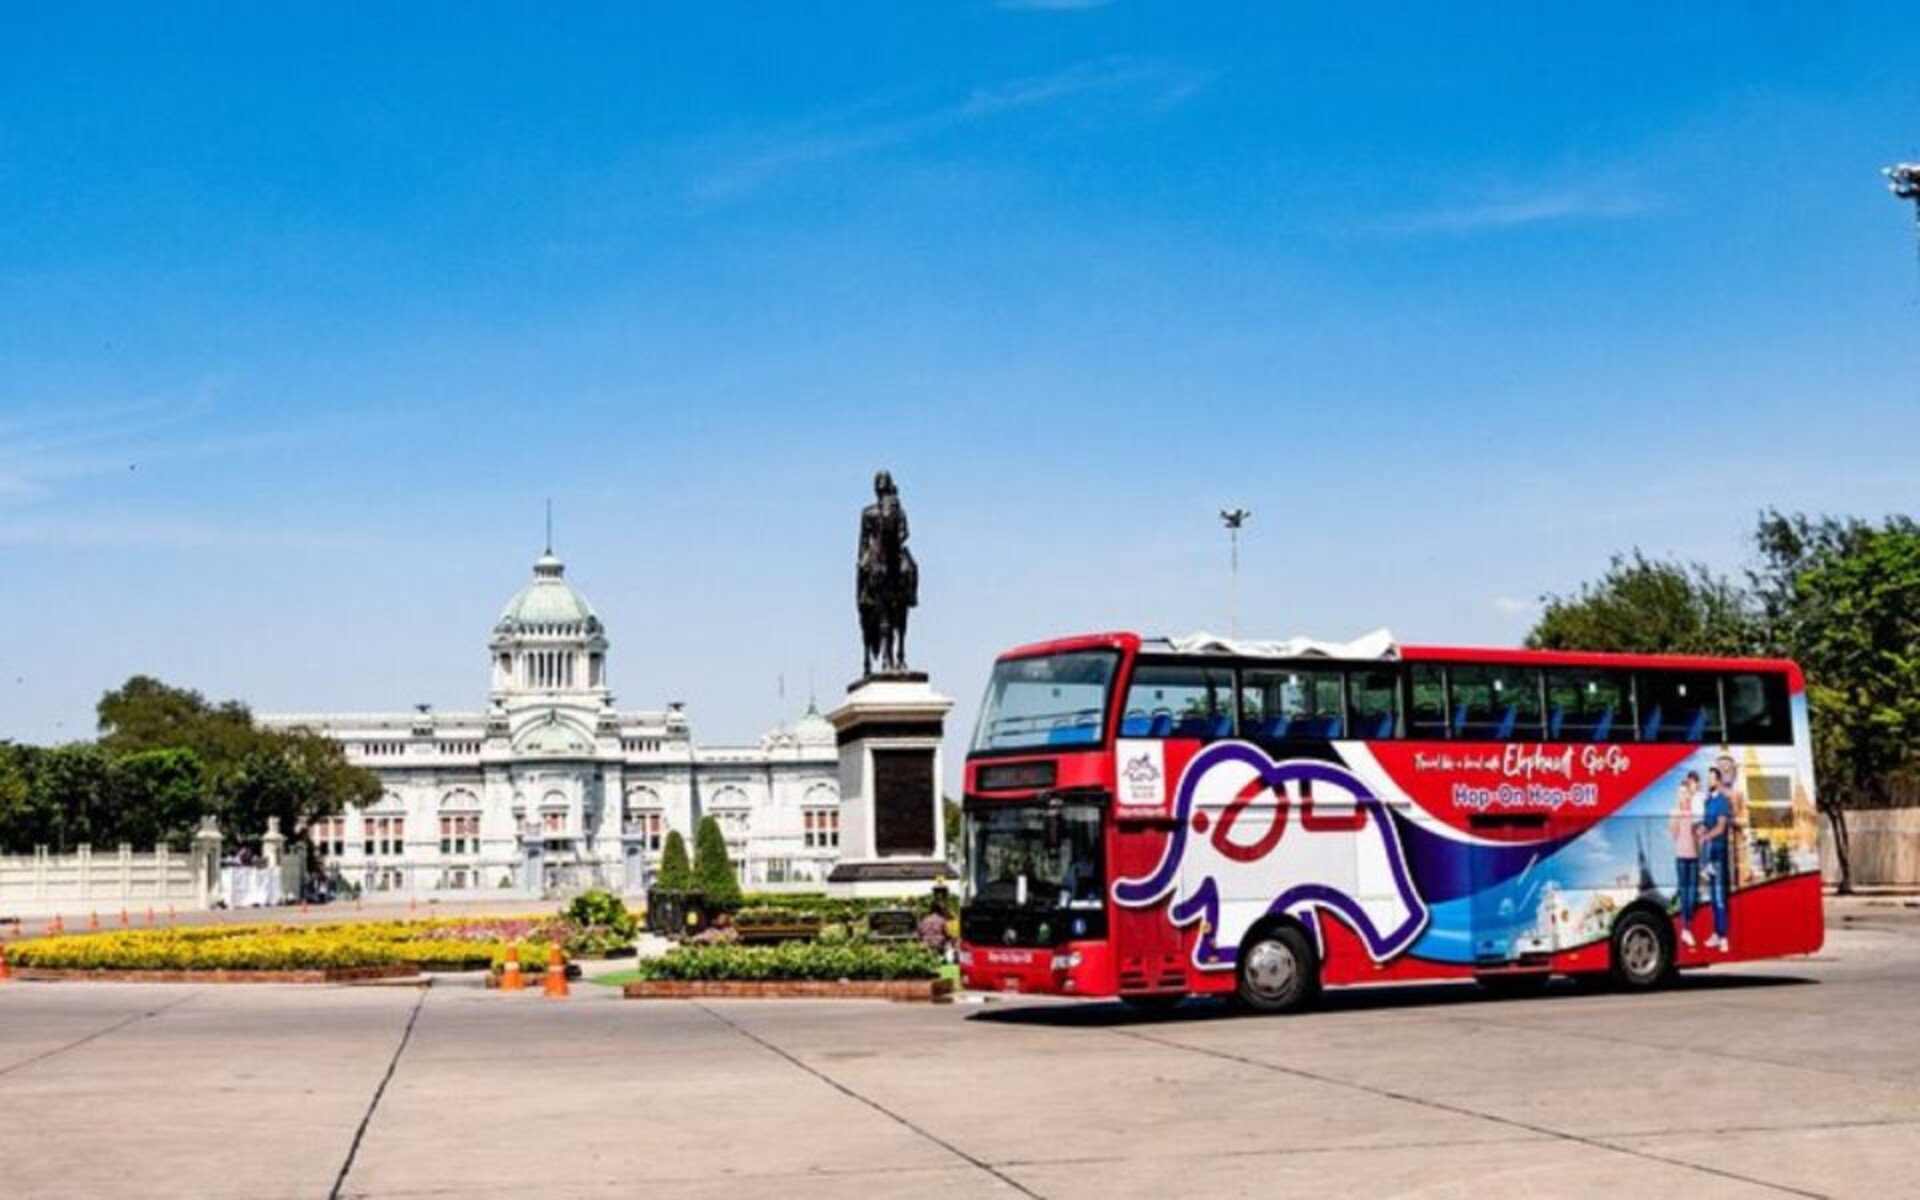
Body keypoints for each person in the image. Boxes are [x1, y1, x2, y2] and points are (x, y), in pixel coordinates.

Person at [1697, 766, 1735, 952]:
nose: (1709, 781)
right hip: (1710, 853)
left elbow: (1721, 827)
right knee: (1713, 899)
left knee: (1719, 898)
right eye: (1708, 777)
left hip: (1718, 854)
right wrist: (1702, 829)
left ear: (1718, 781)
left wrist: (1707, 836)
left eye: (1712, 778)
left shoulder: (1722, 802)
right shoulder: (1708, 802)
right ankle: (1716, 933)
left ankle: (1724, 937)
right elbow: (1708, 824)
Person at [1668, 771, 1702, 948]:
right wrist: (1677, 816)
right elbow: (1673, 834)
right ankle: (1686, 929)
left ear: (1689, 793)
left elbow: (1699, 834)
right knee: (1685, 893)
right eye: (1679, 793)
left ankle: (1686, 928)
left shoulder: (1695, 812)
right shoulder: (1675, 812)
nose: (1682, 795)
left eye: (1684, 792)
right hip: (1681, 857)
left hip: (1694, 857)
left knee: (1692, 895)